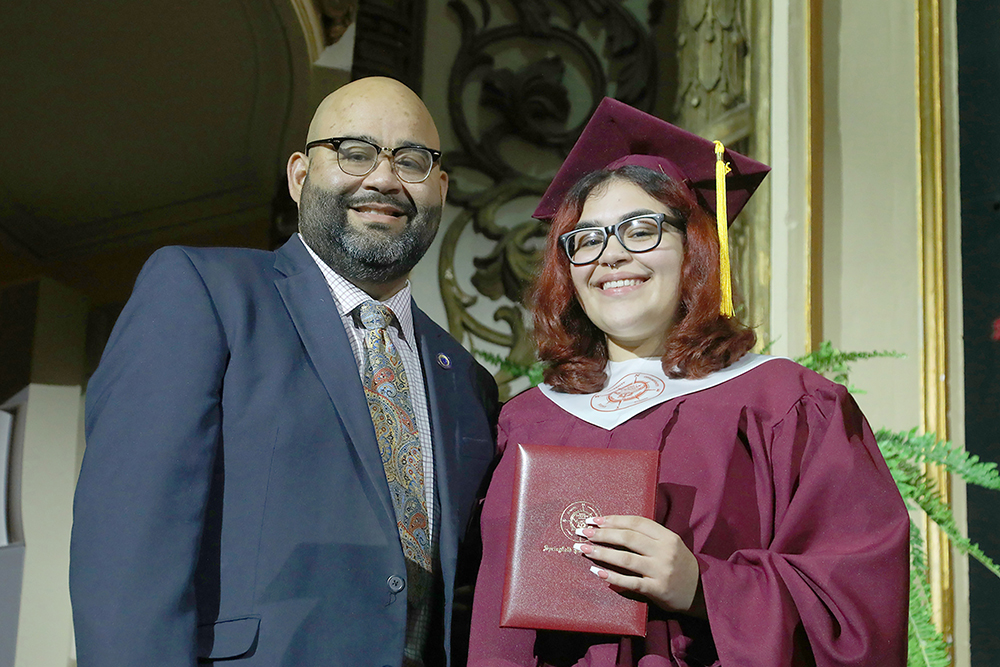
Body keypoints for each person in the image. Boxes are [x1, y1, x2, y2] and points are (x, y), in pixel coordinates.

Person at [70, 76, 499, 667]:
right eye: (353, 152)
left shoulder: (468, 379)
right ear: (300, 175)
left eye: (412, 160)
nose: (382, 178)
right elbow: (127, 544)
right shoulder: (203, 292)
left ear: (441, 188)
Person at [467, 98, 909, 666]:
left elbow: (858, 607)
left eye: (641, 229)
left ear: (696, 248)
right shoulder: (525, 420)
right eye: (587, 239)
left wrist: (705, 588)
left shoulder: (786, 406)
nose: (611, 255)